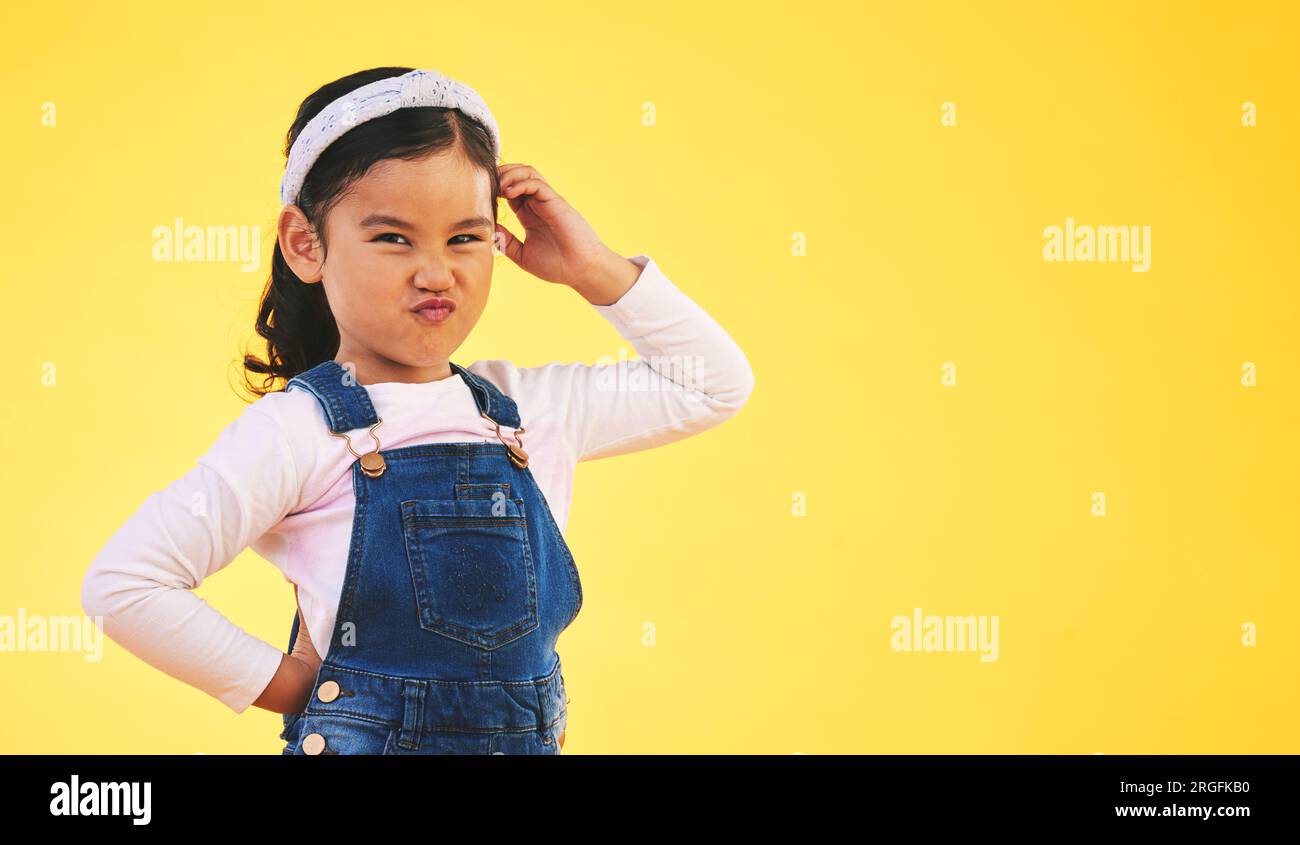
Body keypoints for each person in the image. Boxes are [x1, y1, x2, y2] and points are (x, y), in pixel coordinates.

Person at [81, 66, 754, 754]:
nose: (437, 272)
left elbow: (712, 384)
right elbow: (124, 583)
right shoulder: (299, 431)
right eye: (394, 238)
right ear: (306, 243)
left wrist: (594, 267)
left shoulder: (529, 412)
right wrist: (291, 688)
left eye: (465, 237)